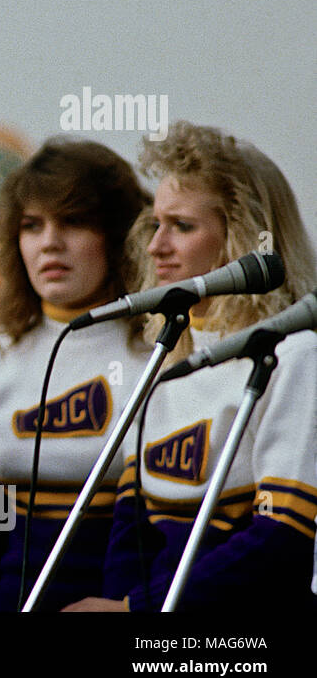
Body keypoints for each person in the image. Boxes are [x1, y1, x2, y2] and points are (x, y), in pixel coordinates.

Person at [65, 121, 317, 612]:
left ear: (243, 238)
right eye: (155, 223)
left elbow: (282, 539)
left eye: (182, 226)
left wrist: (133, 611)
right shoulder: (167, 357)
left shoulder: (295, 356)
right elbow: (131, 524)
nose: (157, 246)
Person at [0, 139, 149, 611]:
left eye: (73, 221)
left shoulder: (160, 350)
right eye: (32, 226)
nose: (50, 242)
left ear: (118, 235)